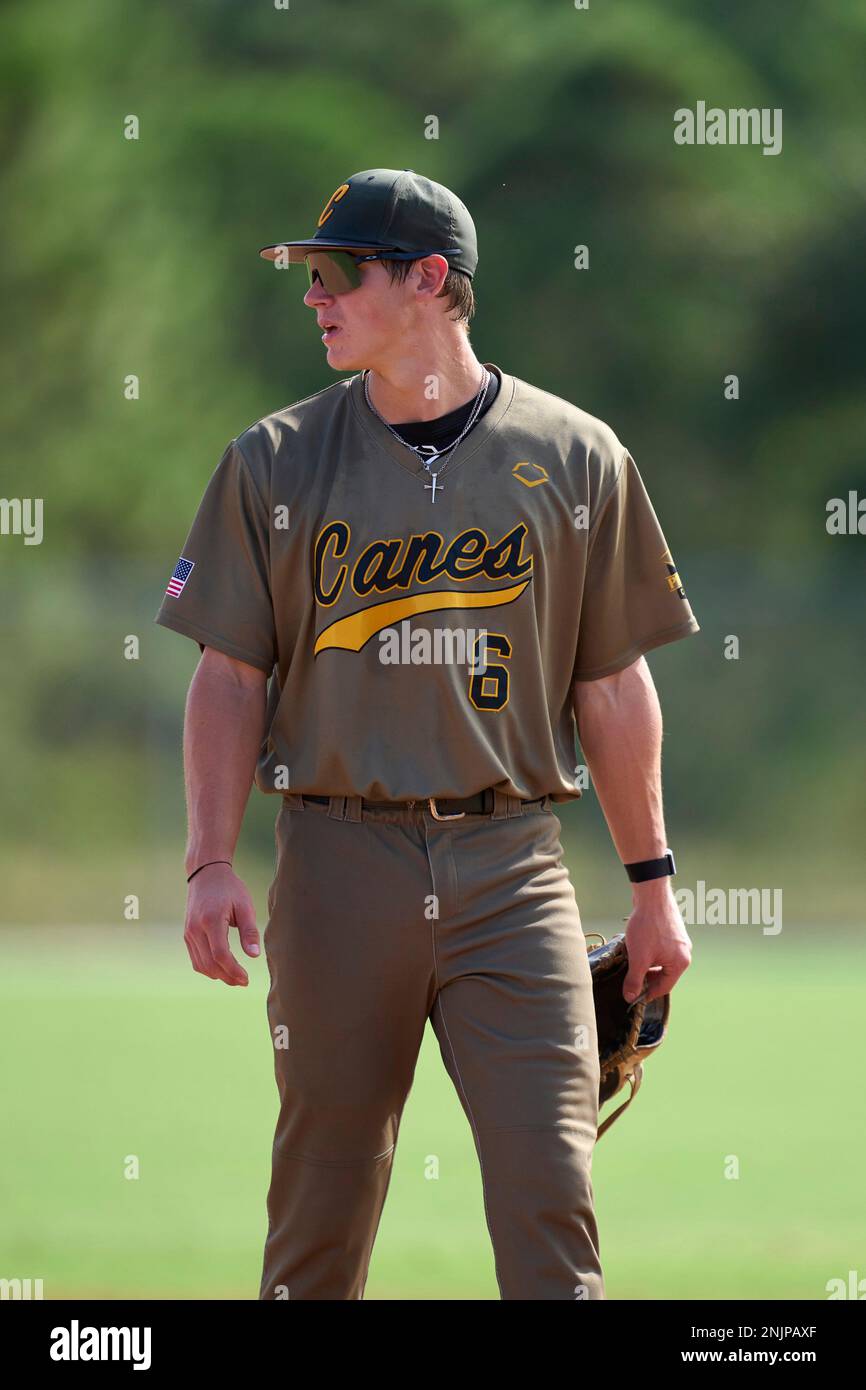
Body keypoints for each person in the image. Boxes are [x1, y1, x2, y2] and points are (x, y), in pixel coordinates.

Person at [154, 168, 699, 1301]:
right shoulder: (275, 459)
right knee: (321, 1200)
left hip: (512, 868)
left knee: (552, 1188)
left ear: (429, 281)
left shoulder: (577, 454)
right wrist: (209, 860)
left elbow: (611, 683)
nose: (315, 296)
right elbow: (226, 675)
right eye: (309, 275)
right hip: (337, 858)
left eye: (338, 272)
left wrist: (652, 883)